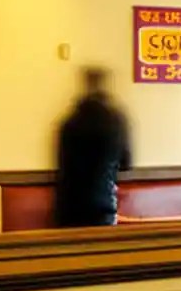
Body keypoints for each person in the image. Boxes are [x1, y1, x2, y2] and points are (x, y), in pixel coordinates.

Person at [53, 67, 132, 228]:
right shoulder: (116, 120)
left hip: (68, 206)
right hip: (103, 204)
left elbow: (61, 164)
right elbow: (126, 163)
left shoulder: (70, 121)